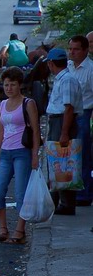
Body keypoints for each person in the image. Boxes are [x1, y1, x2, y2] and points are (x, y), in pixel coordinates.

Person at [0, 66, 40, 244]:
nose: (9, 88)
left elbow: (35, 131)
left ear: (19, 85)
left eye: (12, 85)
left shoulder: (28, 103)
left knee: (21, 193)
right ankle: (3, 227)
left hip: (22, 153)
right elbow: (0, 128)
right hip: (5, 153)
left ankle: (20, 230)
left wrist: (35, 154)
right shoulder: (3, 104)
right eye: (6, 85)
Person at [44, 47, 84, 215]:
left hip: (62, 122)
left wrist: (64, 132)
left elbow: (68, 108)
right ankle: (59, 201)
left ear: (51, 63)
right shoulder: (62, 78)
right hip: (57, 121)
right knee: (58, 162)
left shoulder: (67, 80)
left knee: (63, 163)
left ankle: (66, 203)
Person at [67, 35, 93, 206]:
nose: (72, 52)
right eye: (70, 49)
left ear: (85, 50)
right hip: (67, 115)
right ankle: (67, 190)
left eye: (76, 49)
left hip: (84, 114)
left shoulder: (90, 69)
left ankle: (84, 194)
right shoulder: (68, 66)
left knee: (83, 156)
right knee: (66, 155)